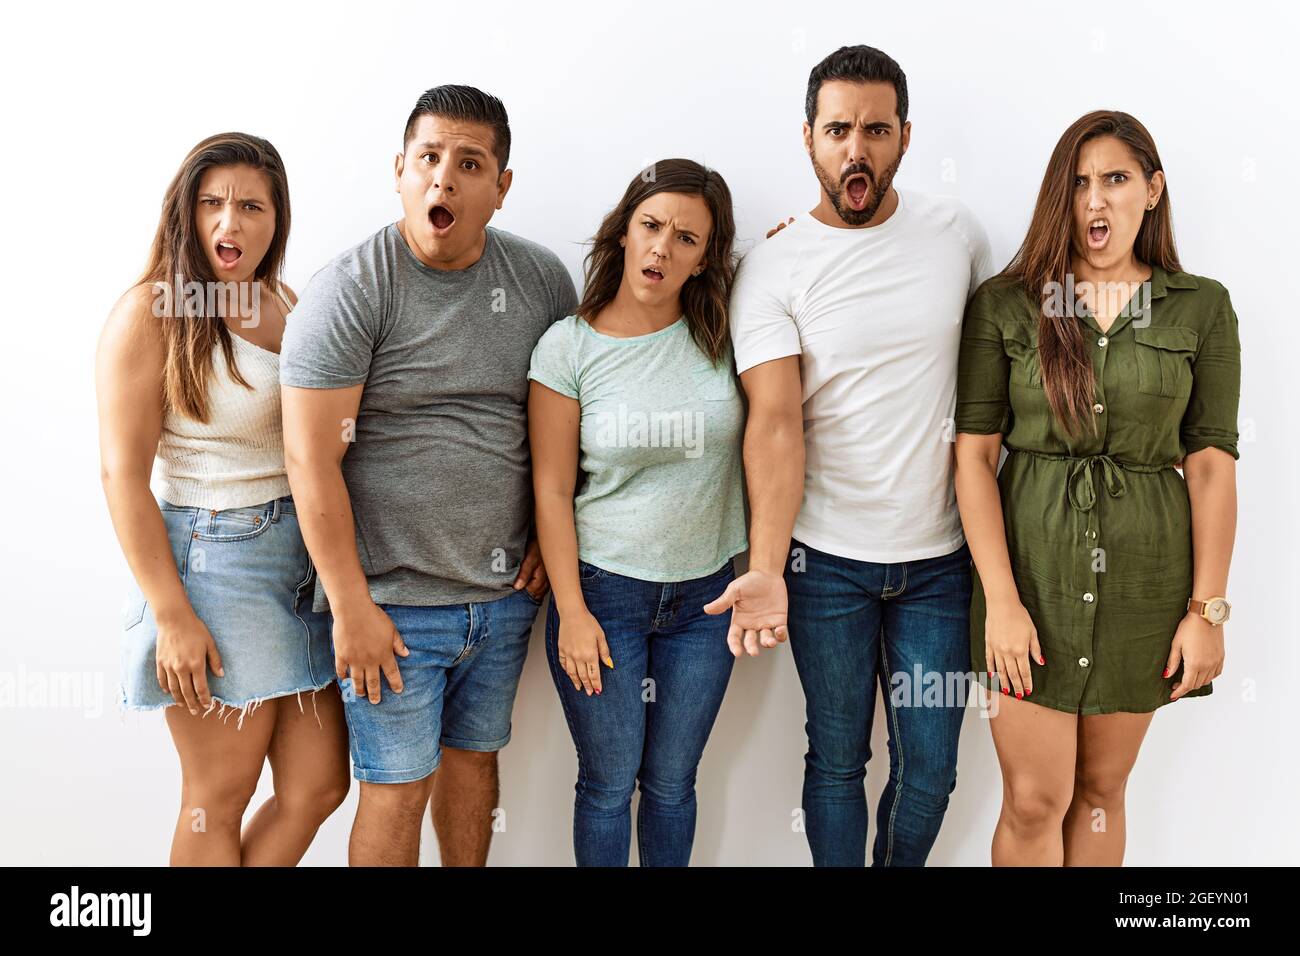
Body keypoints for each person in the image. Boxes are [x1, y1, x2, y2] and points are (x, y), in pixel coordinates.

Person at [706, 44, 993, 866]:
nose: (856, 149)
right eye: (838, 130)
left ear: (905, 136)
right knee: (837, 761)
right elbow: (773, 424)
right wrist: (766, 563)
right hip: (825, 563)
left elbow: (1004, 351)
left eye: (875, 129)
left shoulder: (956, 234)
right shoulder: (772, 267)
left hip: (940, 562)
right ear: (808, 138)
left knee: (931, 771)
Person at [279, 85, 578, 867]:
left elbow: (570, 420)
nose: (444, 179)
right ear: (400, 170)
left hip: (504, 599)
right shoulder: (352, 286)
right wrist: (349, 604)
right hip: (393, 606)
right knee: (396, 787)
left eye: (469, 163)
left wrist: (556, 539)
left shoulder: (542, 282)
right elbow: (310, 458)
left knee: (475, 765)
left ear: (501, 185)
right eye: (429, 158)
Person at [954, 110, 1241, 866]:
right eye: (1078, 183)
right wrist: (1003, 602)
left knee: (1102, 794)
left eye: (1115, 179)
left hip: (1145, 591)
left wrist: (1206, 611)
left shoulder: (1201, 307)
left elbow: (1211, 462)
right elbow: (973, 459)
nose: (1094, 201)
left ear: (1152, 190)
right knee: (1033, 800)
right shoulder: (1009, 303)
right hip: (1030, 582)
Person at [98, 132, 348, 865]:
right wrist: (173, 616)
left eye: (249, 205)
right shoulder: (150, 313)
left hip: (299, 568)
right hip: (212, 565)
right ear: (185, 211)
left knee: (319, 785)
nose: (228, 223)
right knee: (217, 800)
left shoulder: (283, 301)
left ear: (277, 219)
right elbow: (122, 476)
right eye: (211, 203)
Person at [528, 159, 745, 866]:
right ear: (623, 232)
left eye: (686, 238)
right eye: (651, 226)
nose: (662, 248)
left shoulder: (728, 331)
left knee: (673, 785)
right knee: (608, 785)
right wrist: (573, 612)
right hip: (602, 595)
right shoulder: (569, 346)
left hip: (707, 601)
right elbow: (552, 491)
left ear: (706, 256)